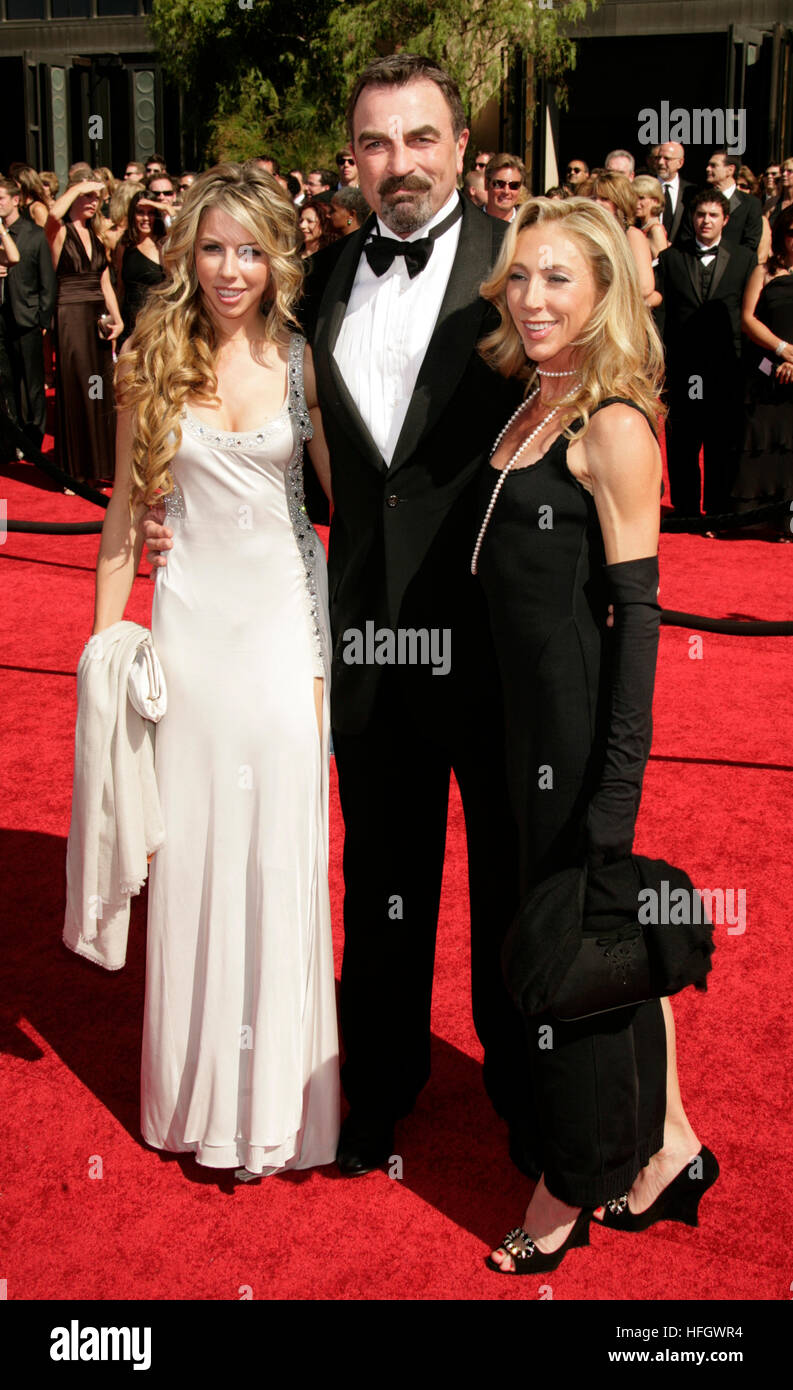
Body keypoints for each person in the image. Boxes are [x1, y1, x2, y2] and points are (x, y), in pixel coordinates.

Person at [145, 53, 534, 1181]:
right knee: (384, 880)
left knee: (507, 875)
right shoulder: (316, 277)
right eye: (375, 142)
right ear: (350, 159)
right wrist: (174, 518)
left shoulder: (523, 268)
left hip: (492, 634)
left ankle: (519, 1087)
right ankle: (381, 1089)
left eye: (420, 139)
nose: (398, 163)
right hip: (364, 637)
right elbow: (256, 421)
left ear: (461, 148)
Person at [472, 196, 715, 1275]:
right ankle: (669, 1145)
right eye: (519, 276)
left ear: (607, 289)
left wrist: (616, 787)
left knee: (575, 951)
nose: (531, 298)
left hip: (570, 736)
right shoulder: (530, 401)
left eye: (557, 277)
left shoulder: (609, 423)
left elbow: (642, 618)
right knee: (607, 943)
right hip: (513, 724)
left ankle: (566, 1192)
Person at [92, 162, 339, 1178]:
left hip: (287, 635)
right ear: (185, 253)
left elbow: (348, 507)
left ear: (279, 257)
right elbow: (120, 515)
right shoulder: (152, 361)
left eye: (250, 249)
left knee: (280, 859)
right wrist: (105, 648)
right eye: (211, 248)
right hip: (191, 636)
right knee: (192, 864)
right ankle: (200, 1102)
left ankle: (281, 1110)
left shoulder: (300, 362)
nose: (231, 269)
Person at [655, 188, 757, 524]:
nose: (706, 221)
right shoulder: (670, 259)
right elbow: (664, 315)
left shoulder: (744, 259)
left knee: (720, 441)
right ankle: (685, 510)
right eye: (700, 215)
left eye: (713, 215)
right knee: (682, 440)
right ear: (692, 218)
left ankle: (717, 509)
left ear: (725, 220)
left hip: (726, 365)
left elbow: (748, 313)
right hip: (682, 365)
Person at [50, 175, 122, 483]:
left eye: (97, 197)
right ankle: (75, 472)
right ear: (73, 196)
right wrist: (78, 186)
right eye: (86, 196)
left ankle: (102, 467)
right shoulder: (59, 232)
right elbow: (53, 214)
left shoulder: (97, 235)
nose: (92, 201)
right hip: (71, 314)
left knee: (101, 389)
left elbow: (104, 280)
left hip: (97, 317)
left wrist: (117, 319)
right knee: (78, 387)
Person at [732, 203, 793, 536]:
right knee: (762, 435)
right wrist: (782, 350)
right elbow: (747, 319)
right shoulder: (764, 271)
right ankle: (756, 519)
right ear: (782, 234)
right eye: (792, 232)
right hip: (766, 365)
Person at [0, 176, 55, 454]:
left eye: (0, 199)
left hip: (28, 319)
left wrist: (43, 320)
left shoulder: (33, 235)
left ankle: (34, 440)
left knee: (33, 384)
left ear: (15, 200)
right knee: (8, 382)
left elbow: (47, 281)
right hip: (2, 321)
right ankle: (14, 437)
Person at [586, 170, 660, 306]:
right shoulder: (587, 233)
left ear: (620, 202)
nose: (596, 203)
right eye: (594, 197)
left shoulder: (632, 235)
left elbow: (645, 287)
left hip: (617, 311)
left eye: (604, 199)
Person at [118, 192, 166, 342]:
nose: (146, 218)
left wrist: (161, 206)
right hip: (129, 323)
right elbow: (120, 288)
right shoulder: (124, 245)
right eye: (140, 212)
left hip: (157, 321)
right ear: (133, 214)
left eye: (151, 213)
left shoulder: (164, 244)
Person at [655, 141, 694, 245]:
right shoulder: (646, 186)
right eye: (658, 158)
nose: (660, 162)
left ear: (680, 163)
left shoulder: (691, 192)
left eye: (666, 158)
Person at [633, 174, 669, 262]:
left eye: (641, 198)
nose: (636, 203)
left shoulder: (656, 230)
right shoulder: (643, 227)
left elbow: (661, 265)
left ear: (655, 201)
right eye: (633, 197)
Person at [484, 154, 526, 222]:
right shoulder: (469, 222)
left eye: (513, 185)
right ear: (486, 184)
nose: (506, 191)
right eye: (499, 184)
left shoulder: (528, 225)